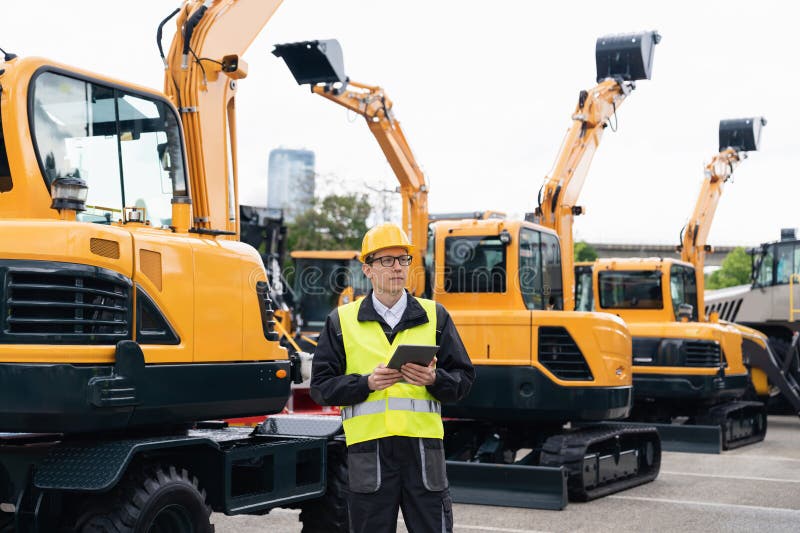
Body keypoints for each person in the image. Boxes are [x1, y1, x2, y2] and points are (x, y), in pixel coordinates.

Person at [310, 222, 475, 533]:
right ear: (368, 269)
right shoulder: (341, 321)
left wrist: (433, 379)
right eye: (387, 260)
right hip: (368, 452)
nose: (397, 267)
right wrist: (365, 383)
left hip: (423, 451)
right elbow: (320, 388)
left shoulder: (435, 316)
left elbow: (464, 380)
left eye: (403, 260)